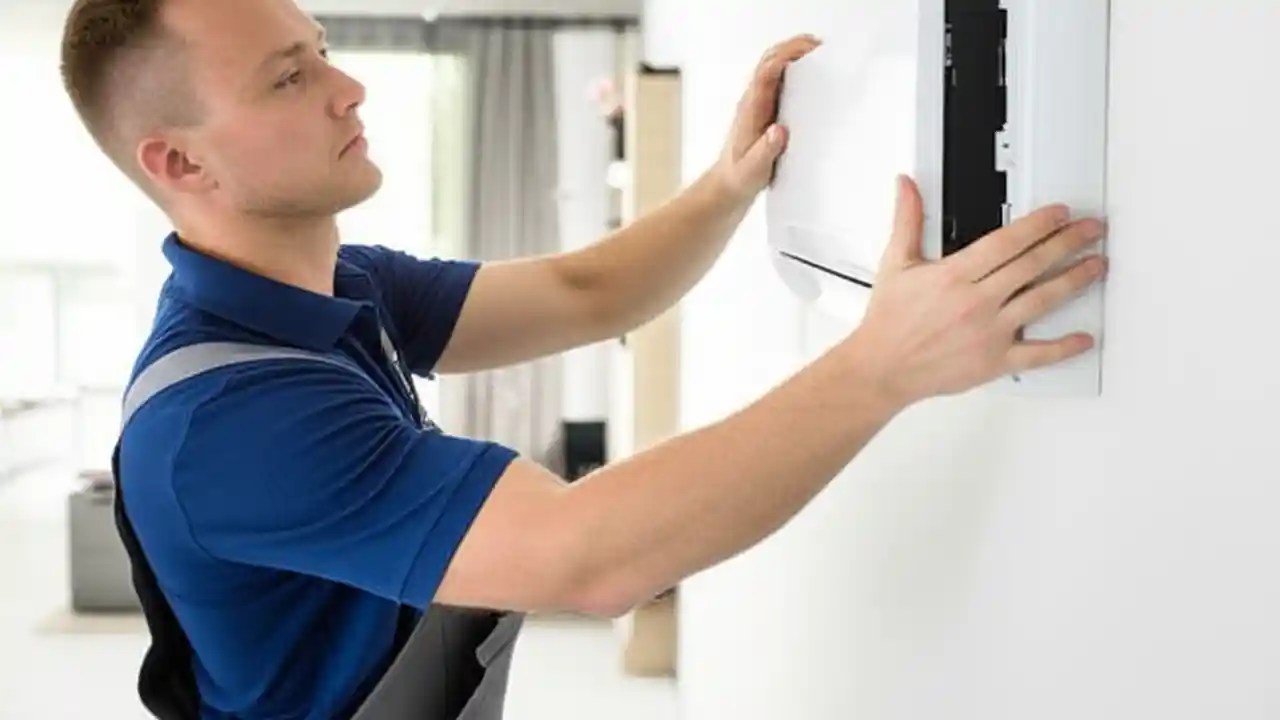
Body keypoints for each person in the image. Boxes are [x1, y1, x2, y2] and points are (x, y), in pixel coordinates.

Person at [59, 0, 1107, 717]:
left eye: (321, 47)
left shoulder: (340, 282)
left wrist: (728, 182)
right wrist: (884, 364)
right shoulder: (228, 422)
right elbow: (590, 557)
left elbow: (587, 292)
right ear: (180, 160)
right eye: (290, 77)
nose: (348, 87)